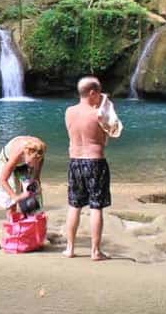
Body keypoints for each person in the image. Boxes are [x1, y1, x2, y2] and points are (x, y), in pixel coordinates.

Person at [64, 76, 112, 261]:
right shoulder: (98, 114)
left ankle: (70, 248)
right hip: (95, 162)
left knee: (74, 206)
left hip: (75, 161)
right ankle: (95, 251)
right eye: (98, 93)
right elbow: (113, 131)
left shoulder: (69, 111)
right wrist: (107, 106)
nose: (100, 97)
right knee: (96, 207)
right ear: (92, 93)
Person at [0, 135, 47, 220]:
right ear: (27, 154)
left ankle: (31, 222)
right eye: (31, 162)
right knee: (11, 199)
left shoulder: (40, 151)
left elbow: (36, 176)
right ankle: (13, 224)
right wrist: (15, 197)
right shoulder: (17, 154)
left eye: (36, 162)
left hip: (23, 163)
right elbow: (3, 180)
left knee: (32, 192)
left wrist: (36, 180)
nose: (33, 165)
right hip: (6, 160)